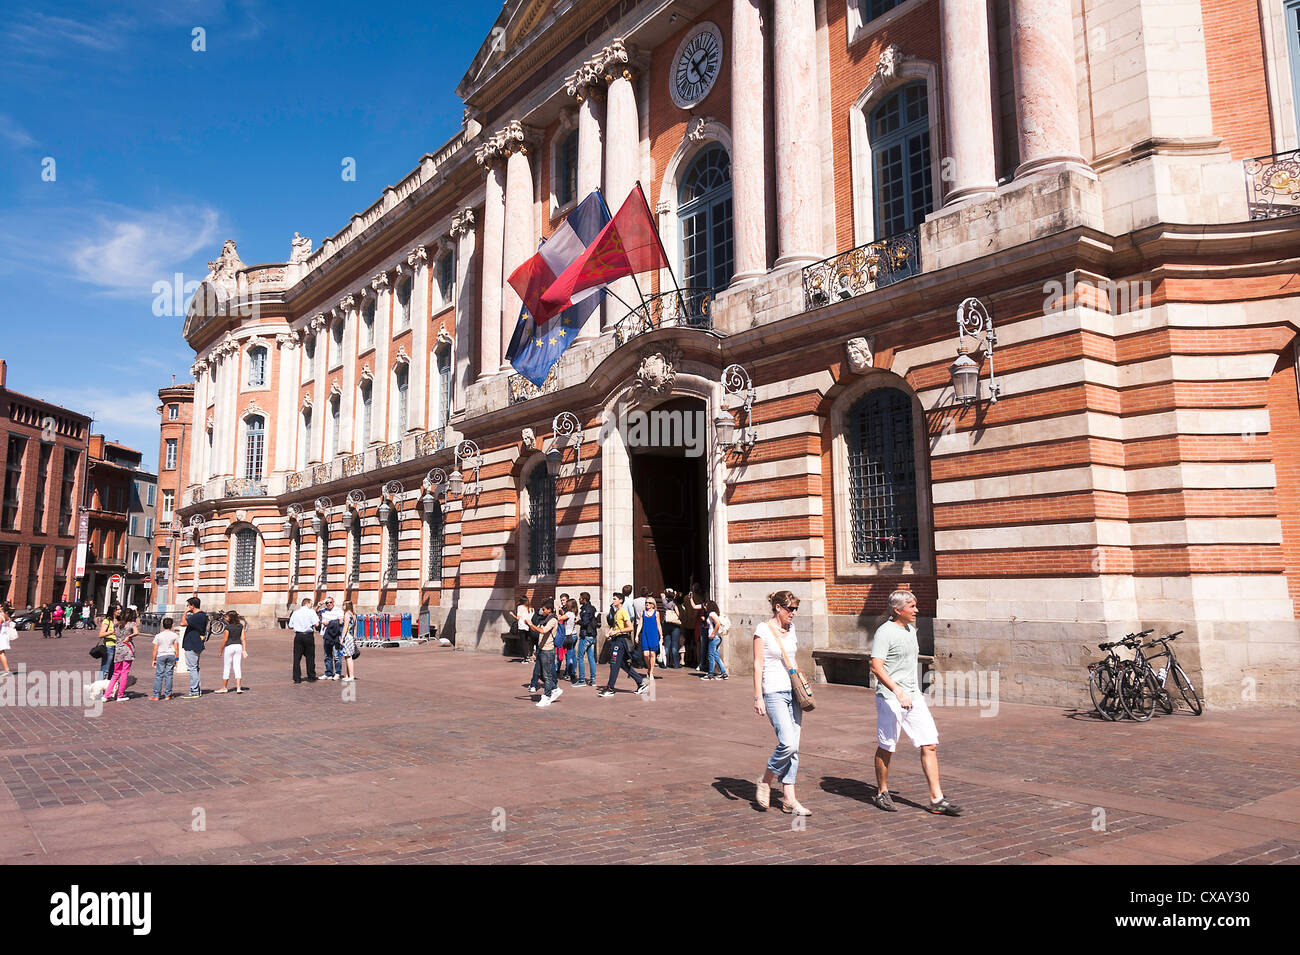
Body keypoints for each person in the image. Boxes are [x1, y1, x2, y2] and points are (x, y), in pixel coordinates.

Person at [869, 590, 962, 816]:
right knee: (887, 746)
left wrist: (911, 691)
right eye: (912, 606)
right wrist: (897, 690)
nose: (916, 610)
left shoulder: (911, 630)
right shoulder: (885, 633)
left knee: (929, 743)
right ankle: (882, 791)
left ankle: (936, 799)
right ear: (898, 610)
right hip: (891, 698)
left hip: (913, 696)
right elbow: (876, 666)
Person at [752, 591, 810, 815]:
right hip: (773, 690)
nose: (793, 613)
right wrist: (758, 696)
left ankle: (789, 799)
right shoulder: (763, 630)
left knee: (794, 746)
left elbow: (792, 659)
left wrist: (801, 679)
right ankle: (766, 779)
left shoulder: (792, 629)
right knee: (787, 742)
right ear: (777, 608)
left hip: (793, 691)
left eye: (795, 609)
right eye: (790, 609)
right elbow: (758, 664)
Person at [597, 593, 648, 698]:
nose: (613, 600)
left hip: (621, 642)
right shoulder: (616, 612)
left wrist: (616, 632)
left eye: (615, 599)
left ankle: (610, 688)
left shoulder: (623, 612)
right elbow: (615, 627)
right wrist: (610, 633)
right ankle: (641, 683)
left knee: (614, 663)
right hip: (616, 640)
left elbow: (630, 628)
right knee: (623, 664)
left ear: (620, 600)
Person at [525, 598, 562, 708]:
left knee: (547, 675)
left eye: (544, 609)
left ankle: (546, 697)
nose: (542, 611)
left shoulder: (552, 620)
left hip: (548, 651)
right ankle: (555, 689)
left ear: (550, 610)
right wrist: (530, 624)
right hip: (541, 649)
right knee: (540, 673)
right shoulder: (544, 619)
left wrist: (531, 624)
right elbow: (538, 629)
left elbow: (543, 631)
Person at [180, 598, 208, 699]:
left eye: (188, 605)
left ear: (192, 605)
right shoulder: (202, 615)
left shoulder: (197, 616)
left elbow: (183, 623)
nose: (187, 607)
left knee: (192, 668)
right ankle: (197, 689)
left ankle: (194, 690)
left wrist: (184, 613)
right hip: (196, 642)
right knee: (195, 667)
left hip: (192, 643)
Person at [288, 597, 320, 684]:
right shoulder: (311, 612)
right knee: (310, 656)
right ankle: (311, 676)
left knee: (297, 657)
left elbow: (290, 625)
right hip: (308, 636)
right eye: (311, 604)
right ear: (308, 603)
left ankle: (297, 677)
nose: (311, 606)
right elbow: (317, 624)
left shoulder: (295, 612)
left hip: (298, 636)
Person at [216, 611, 248, 694]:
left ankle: (224, 687)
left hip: (229, 646)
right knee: (237, 666)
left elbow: (225, 640)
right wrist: (244, 650)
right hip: (238, 646)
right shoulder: (240, 626)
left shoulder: (228, 627)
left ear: (230, 618)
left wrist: (220, 650)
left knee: (227, 667)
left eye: (227, 617)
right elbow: (243, 639)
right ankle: (238, 687)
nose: (226, 618)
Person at [105, 619, 135, 702]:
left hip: (118, 650)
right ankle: (120, 695)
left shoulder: (116, 624)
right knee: (124, 672)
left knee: (116, 673)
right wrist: (129, 636)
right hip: (128, 649)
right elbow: (136, 632)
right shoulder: (131, 624)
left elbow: (113, 632)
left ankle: (106, 695)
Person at [151, 617, 181, 700]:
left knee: (159, 675)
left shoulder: (158, 636)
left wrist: (153, 659)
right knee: (169, 675)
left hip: (161, 655)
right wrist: (177, 659)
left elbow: (155, 649)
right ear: (171, 625)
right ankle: (168, 694)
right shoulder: (174, 635)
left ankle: (156, 695)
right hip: (171, 655)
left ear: (163, 625)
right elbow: (176, 649)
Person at [575, 592, 598, 687]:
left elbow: (585, 622)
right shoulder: (592, 608)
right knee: (591, 658)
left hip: (586, 635)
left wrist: (577, 621)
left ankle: (581, 680)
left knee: (580, 657)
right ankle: (592, 680)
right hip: (592, 635)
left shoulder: (586, 609)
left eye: (580, 598)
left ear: (584, 600)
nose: (579, 599)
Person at [701, 600, 728, 680]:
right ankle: (724, 673)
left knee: (711, 655)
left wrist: (712, 633)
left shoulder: (711, 614)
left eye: (706, 605)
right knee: (716, 656)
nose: (705, 607)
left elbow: (717, 623)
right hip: (717, 637)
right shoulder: (714, 614)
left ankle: (710, 674)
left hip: (714, 638)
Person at [320, 596, 345, 681]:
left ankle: (338, 672)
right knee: (327, 655)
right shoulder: (323, 610)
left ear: (333, 602)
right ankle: (329, 673)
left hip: (335, 635)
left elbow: (341, 622)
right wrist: (319, 605)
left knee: (336, 655)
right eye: (327, 603)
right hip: (325, 635)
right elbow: (313, 613)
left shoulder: (338, 610)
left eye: (330, 602)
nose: (329, 604)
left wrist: (329, 623)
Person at [640, 595, 663, 681]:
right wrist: (636, 634)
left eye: (649, 603)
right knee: (646, 654)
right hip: (645, 635)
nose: (647, 604)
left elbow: (658, 625)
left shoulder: (656, 613)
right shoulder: (642, 613)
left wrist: (661, 636)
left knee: (652, 654)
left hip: (653, 635)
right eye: (646, 602)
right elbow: (640, 624)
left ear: (653, 604)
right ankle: (649, 668)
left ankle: (651, 672)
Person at [507, 593, 534, 664]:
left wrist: (512, 614)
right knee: (530, 642)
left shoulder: (520, 607)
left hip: (522, 627)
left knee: (523, 642)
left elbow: (518, 618)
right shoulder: (531, 608)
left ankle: (525, 658)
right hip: (530, 626)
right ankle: (531, 656)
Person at [685, 585, 706, 670]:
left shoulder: (687, 597)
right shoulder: (701, 599)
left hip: (689, 623)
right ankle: (697, 661)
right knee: (697, 644)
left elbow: (685, 607)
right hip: (696, 624)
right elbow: (695, 611)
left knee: (690, 643)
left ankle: (689, 659)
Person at [661, 589, 682, 668]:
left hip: (666, 624)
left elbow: (662, 594)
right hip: (674, 625)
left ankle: (665, 663)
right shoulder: (674, 604)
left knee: (666, 645)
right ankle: (676, 664)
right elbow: (678, 614)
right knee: (674, 645)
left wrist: (667, 592)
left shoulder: (664, 602)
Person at [97, 607, 119, 681]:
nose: (119, 611)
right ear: (113, 611)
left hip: (118, 647)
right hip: (109, 646)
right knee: (105, 669)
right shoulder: (107, 621)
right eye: (117, 609)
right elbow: (101, 634)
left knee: (113, 670)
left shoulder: (119, 621)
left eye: (120, 609)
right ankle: (99, 688)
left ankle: (109, 689)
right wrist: (112, 632)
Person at [340, 600, 358, 682]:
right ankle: (348, 674)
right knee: (347, 656)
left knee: (348, 657)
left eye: (343, 605)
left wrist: (342, 637)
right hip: (351, 637)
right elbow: (355, 628)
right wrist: (354, 637)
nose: (342, 607)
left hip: (347, 636)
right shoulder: (353, 614)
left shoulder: (347, 614)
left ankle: (351, 675)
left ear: (346, 606)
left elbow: (345, 627)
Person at [0, 607, 15, 678]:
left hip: (1, 636)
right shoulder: (7, 616)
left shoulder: (1, 616)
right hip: (4, 636)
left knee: (1, 653)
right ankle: (6, 670)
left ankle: (7, 670)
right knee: (1, 652)